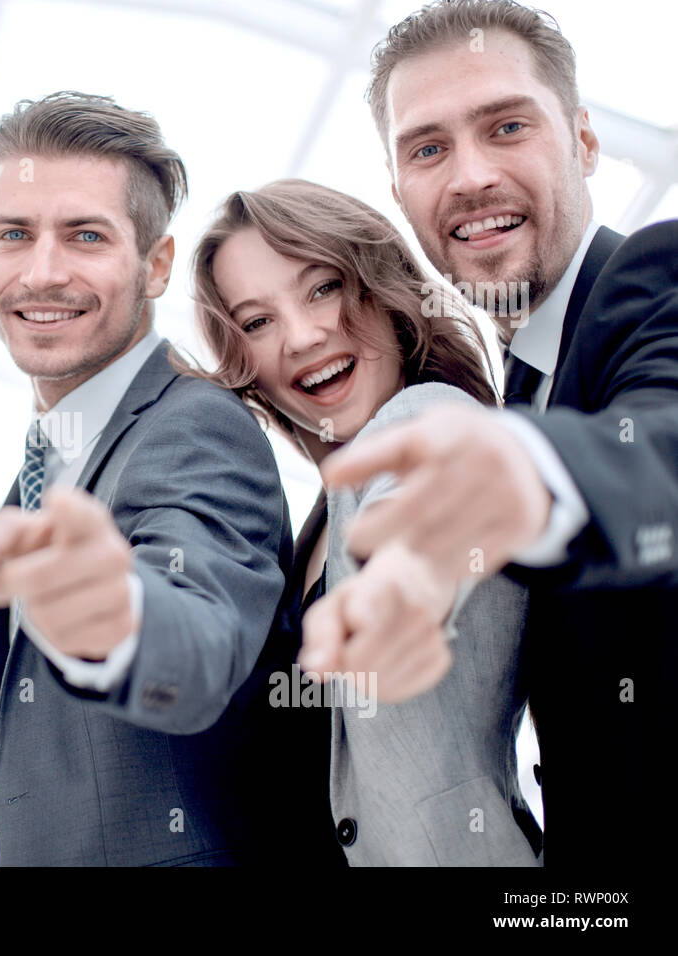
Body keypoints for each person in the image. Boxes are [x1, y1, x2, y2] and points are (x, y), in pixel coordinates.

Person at [306, 0, 678, 865]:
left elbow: (661, 443)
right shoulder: (513, 392)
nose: (469, 177)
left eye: (506, 126)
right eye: (428, 149)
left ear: (584, 142)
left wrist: (532, 476)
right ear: (401, 190)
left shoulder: (657, 276)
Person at [0, 92, 309, 866]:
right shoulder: (37, 476)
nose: (42, 272)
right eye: (14, 235)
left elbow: (203, 631)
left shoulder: (194, 427)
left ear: (155, 266)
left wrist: (117, 617)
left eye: (86, 235)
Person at [190, 179, 541, 865]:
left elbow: (430, 509)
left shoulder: (432, 417)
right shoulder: (311, 528)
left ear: (381, 288)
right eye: (257, 322)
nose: (303, 335)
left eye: (322, 288)